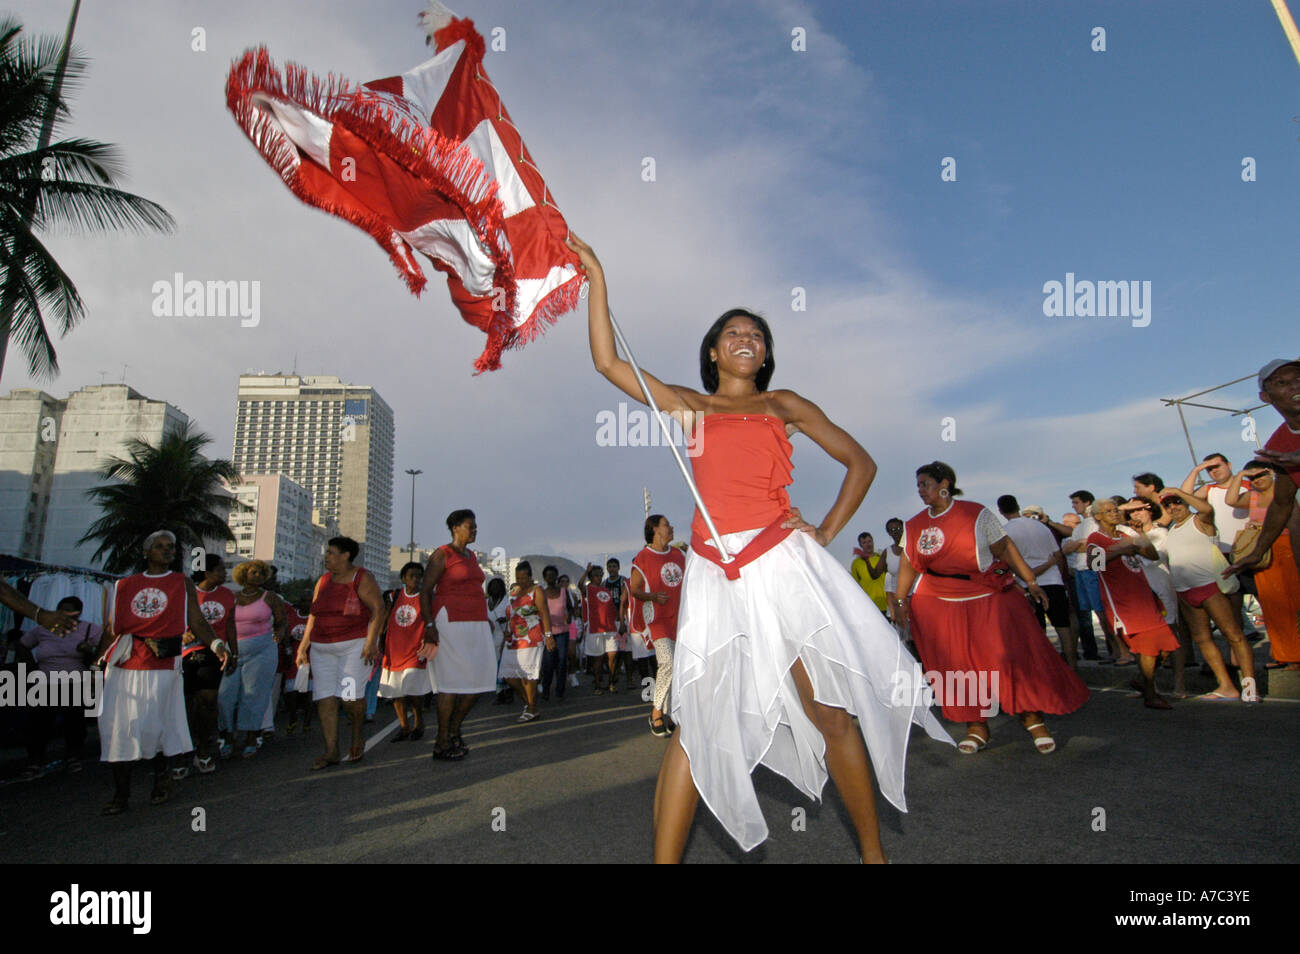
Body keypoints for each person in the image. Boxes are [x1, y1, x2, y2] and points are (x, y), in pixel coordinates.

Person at [572, 233, 950, 864]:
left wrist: (825, 530)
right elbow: (610, 364)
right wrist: (596, 275)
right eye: (733, 333)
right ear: (713, 351)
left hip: (782, 565)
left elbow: (860, 461)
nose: (746, 340)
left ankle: (875, 857)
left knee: (831, 713)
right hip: (716, 574)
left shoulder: (784, 404)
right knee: (699, 729)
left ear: (765, 352)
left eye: (757, 334)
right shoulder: (691, 406)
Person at [896, 464, 1089, 756]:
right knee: (958, 666)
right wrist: (900, 601)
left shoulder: (976, 514)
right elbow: (908, 564)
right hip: (938, 602)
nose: (920, 489)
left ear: (944, 483)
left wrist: (1031, 581)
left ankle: (1032, 719)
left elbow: (1006, 548)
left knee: (1007, 658)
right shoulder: (913, 525)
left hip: (985, 595)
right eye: (918, 484)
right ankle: (976, 726)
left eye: (925, 483)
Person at [92, 531, 230, 814]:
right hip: (124, 664)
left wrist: (216, 643)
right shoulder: (125, 585)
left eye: (171, 547)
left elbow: (196, 618)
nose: (167, 551)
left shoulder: (181, 582)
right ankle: (121, 794)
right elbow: (111, 627)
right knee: (118, 727)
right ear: (146, 552)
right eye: (160, 546)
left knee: (155, 725)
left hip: (163, 664)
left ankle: (161, 779)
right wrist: (97, 659)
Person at [1157, 488, 1257, 702]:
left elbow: (1206, 508)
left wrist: (1177, 491)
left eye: (1178, 502)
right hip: (1185, 591)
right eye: (1168, 505)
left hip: (1210, 587)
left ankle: (1250, 688)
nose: (1173, 507)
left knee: (1234, 635)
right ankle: (1226, 686)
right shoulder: (1171, 530)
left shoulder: (1200, 520)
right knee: (1202, 639)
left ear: (1186, 503)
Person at [297, 536, 384, 770]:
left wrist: (371, 642)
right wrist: (304, 643)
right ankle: (331, 750)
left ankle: (357, 737)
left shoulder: (362, 577)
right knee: (324, 698)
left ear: (346, 555)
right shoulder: (323, 581)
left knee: (349, 697)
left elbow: (378, 609)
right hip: (321, 647)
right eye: (327, 552)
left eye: (332, 552)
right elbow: (314, 614)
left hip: (353, 645)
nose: (327, 556)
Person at [419, 510, 499, 756]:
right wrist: (430, 626)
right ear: (455, 528)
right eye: (470, 526)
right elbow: (425, 591)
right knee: (450, 683)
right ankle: (442, 742)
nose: (474, 530)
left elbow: (474, 589)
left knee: (481, 680)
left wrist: (485, 617)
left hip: (476, 624)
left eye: (475, 526)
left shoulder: (472, 555)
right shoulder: (442, 554)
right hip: (449, 622)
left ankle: (453, 730)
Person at [1086, 499, 1179, 709]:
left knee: (1167, 645)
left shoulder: (1125, 535)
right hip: (1124, 602)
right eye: (1108, 511)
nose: (1114, 513)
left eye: (1115, 510)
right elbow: (1094, 564)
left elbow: (1152, 555)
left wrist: (1141, 536)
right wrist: (1119, 551)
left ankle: (1142, 680)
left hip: (1144, 597)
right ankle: (1150, 693)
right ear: (1098, 516)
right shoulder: (1096, 538)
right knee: (1147, 647)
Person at [1229, 358, 1300, 578]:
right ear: (1266, 397)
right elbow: (1282, 503)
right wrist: (1258, 550)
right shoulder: (1278, 445)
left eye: (1299, 379)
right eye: (1281, 383)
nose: (1295, 386)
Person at [1226, 461, 1300, 670]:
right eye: (1253, 477)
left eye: (1260, 475)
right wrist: (1240, 475)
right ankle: (1284, 654)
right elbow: (1231, 500)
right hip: (1264, 554)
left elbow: (1295, 521)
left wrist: (1265, 525)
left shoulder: (1284, 492)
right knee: (1271, 606)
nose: (1257, 480)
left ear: (1270, 472)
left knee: (1294, 604)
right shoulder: (1253, 496)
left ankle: (1296, 655)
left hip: (1287, 548)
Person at [17, 596, 98, 780]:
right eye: (61, 610)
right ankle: (35, 761)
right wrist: (31, 667)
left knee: (74, 721)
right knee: (39, 723)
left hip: (74, 681)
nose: (65, 614)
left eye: (70, 610)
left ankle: (73, 756)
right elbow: (22, 645)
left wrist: (89, 653)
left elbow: (104, 650)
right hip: (45, 682)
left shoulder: (89, 629)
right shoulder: (44, 628)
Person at [1181, 453, 1260, 640]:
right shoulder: (1209, 490)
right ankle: (1242, 642)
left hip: (1250, 550)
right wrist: (1196, 470)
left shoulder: (1248, 486)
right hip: (1223, 555)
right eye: (1209, 469)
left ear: (1229, 465)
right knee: (1233, 602)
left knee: (1263, 596)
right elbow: (1184, 497)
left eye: (1217, 466)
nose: (1213, 471)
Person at [217, 560, 286, 759]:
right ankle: (227, 736)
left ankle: (251, 737)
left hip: (262, 649)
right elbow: (226, 623)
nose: (256, 576)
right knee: (225, 696)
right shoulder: (232, 597)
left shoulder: (270, 597)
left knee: (253, 695)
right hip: (234, 650)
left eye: (259, 573)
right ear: (243, 575)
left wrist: (279, 634)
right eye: (252, 572)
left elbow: (282, 621)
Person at [1121, 498, 1190, 696]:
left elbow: (1152, 558)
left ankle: (1179, 685)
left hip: (1161, 590)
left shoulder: (1160, 533)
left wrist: (1134, 542)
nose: (1137, 514)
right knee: (1142, 642)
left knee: (1171, 637)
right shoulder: (1124, 535)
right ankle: (1149, 685)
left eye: (1141, 509)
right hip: (1137, 595)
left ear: (1151, 512)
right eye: (1132, 511)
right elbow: (1100, 562)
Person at [999, 495, 1077, 668]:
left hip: (1027, 584)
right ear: (1018, 506)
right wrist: (1061, 577)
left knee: (1037, 631)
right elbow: (1058, 555)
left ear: (1001, 511)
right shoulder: (1041, 527)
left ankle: (1044, 668)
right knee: (1063, 627)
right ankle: (1073, 666)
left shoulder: (1005, 531)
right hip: (1053, 580)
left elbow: (1007, 562)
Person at [629, 515, 686, 737]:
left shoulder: (679, 555)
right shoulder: (643, 558)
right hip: (657, 619)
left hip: (680, 619)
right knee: (668, 663)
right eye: (666, 524)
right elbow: (634, 588)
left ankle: (671, 712)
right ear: (654, 529)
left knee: (677, 666)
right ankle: (656, 712)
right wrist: (652, 596)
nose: (671, 527)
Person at [1046, 493, 1112, 661]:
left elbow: (1095, 545)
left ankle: (1116, 650)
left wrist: (1083, 546)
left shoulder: (1096, 522)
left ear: (1087, 503)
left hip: (1094, 570)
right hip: (1080, 571)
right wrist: (1079, 545)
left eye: (1076, 502)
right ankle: (1094, 651)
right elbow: (1069, 548)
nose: (1074, 506)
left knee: (1102, 611)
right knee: (1084, 613)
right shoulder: (1082, 526)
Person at [187, 556, 233, 773]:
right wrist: (182, 634)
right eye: (220, 570)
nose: (225, 574)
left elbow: (231, 626)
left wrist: (234, 651)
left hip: (214, 653)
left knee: (208, 699)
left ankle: (203, 749)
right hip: (185, 654)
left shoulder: (226, 595)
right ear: (207, 573)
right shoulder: (188, 594)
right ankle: (183, 749)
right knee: (188, 703)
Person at [380, 562, 432, 742]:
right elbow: (384, 619)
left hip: (415, 651)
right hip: (394, 650)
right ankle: (404, 727)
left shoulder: (425, 597)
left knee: (412, 688)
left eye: (419, 576)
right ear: (403, 578)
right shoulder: (393, 596)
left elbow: (430, 620)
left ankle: (419, 722)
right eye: (411, 575)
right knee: (396, 692)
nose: (415, 579)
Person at [498, 561, 553, 723]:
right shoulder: (514, 592)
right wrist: (507, 632)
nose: (520, 580)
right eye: (518, 577)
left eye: (523, 577)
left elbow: (544, 613)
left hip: (532, 638)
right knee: (508, 675)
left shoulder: (537, 591)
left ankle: (531, 708)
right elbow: (511, 615)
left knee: (528, 676)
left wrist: (549, 635)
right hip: (513, 638)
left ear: (530, 577)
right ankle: (529, 704)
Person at [580, 564, 621, 694]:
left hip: (610, 627)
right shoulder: (588, 589)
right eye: (595, 575)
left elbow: (611, 607)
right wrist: (586, 572)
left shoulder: (606, 590)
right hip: (595, 628)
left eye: (600, 574)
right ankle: (597, 685)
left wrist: (619, 620)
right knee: (597, 659)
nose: (598, 577)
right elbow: (579, 585)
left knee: (612, 655)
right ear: (591, 577)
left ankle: (611, 682)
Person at [538, 565, 573, 702]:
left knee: (562, 661)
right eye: (548, 575)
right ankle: (546, 689)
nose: (550, 578)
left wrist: (569, 615)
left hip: (563, 632)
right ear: (545, 578)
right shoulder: (542, 593)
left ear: (556, 576)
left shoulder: (564, 592)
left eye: (553, 575)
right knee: (548, 662)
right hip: (548, 633)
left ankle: (560, 690)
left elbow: (570, 608)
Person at [282, 600, 313, 732]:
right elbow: (285, 636)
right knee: (292, 693)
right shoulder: (292, 617)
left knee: (308, 694)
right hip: (294, 660)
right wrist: (288, 647)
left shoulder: (314, 618)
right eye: (303, 599)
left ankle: (307, 723)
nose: (305, 603)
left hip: (310, 660)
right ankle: (293, 719)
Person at [485, 577, 512, 704]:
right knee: (494, 665)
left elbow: (513, 617)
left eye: (497, 586)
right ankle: (500, 691)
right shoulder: (485, 603)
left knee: (503, 664)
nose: (494, 588)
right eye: (492, 586)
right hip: (489, 638)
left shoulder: (507, 602)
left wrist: (506, 620)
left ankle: (505, 692)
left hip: (503, 637)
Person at [849, 532, 888, 614]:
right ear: (860, 545)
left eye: (869, 541)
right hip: (868, 606)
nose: (868, 544)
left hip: (885, 604)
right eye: (864, 542)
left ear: (873, 542)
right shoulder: (856, 563)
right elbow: (855, 585)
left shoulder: (881, 558)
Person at [882, 518, 905, 626]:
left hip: (918, 601)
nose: (896, 531)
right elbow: (889, 591)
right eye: (892, 529)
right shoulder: (887, 553)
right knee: (905, 639)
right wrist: (893, 611)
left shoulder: (914, 547)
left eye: (899, 528)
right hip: (900, 603)